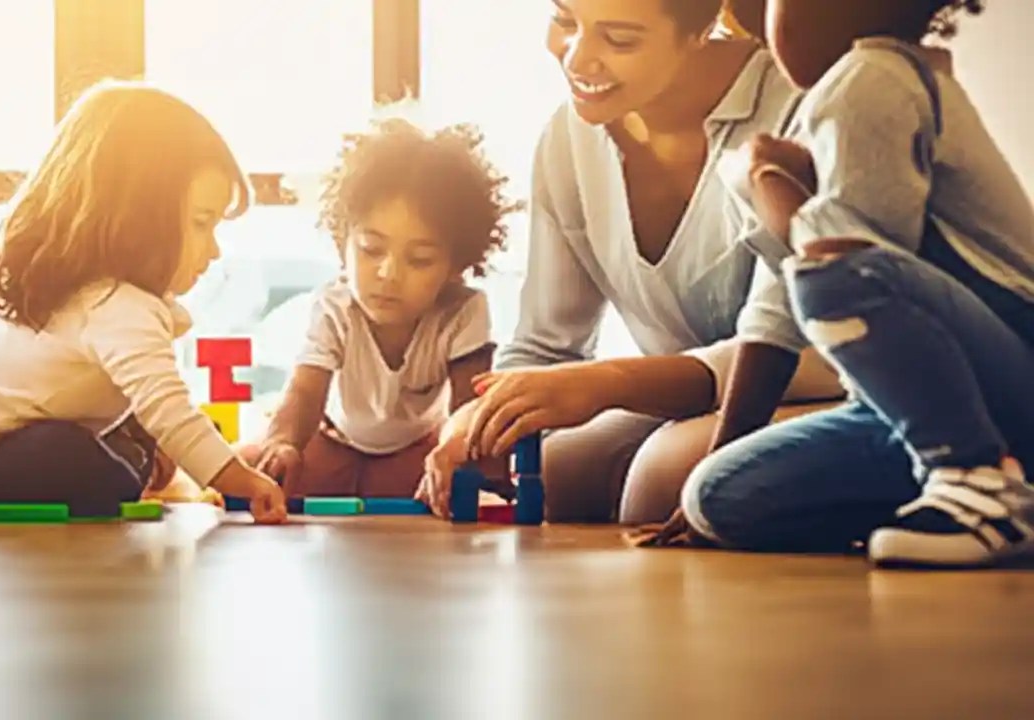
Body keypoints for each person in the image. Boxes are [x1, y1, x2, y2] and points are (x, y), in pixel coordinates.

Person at [422, 0, 842, 522]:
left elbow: (801, 348)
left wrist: (612, 382)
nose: (576, 60)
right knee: (561, 472)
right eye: (565, 21)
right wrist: (478, 422)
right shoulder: (568, 138)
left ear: (701, 28)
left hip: (828, 389)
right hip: (686, 403)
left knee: (663, 477)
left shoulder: (800, 115)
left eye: (619, 39)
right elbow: (546, 345)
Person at [676, 0, 1034, 567]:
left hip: (1015, 368)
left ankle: (979, 483)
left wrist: (766, 175)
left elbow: (840, 263)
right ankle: (982, 487)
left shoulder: (872, 76)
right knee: (719, 497)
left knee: (839, 272)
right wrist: (720, 448)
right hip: (926, 400)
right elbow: (781, 306)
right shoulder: (837, 97)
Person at [0, 81, 287, 524]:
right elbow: (167, 407)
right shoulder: (115, 305)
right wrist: (238, 480)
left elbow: (152, 399)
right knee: (100, 473)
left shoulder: (102, 295)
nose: (215, 250)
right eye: (201, 223)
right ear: (134, 217)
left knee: (116, 446)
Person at [241, 119, 514, 512]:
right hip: (330, 439)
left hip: (413, 449)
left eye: (419, 260)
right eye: (371, 249)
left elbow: (469, 401)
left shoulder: (463, 311)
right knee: (257, 468)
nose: (389, 274)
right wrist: (282, 443)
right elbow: (305, 391)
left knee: (449, 482)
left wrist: (461, 452)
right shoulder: (335, 305)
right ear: (343, 243)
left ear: (456, 264)